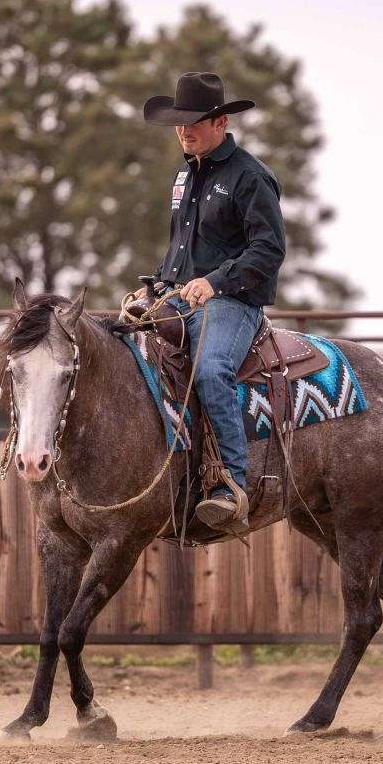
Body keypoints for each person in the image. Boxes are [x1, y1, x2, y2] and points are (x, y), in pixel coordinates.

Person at [135, 71, 286, 529]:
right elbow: (182, 249)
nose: (184, 130)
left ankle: (230, 483)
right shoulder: (185, 174)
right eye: (180, 122)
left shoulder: (251, 177)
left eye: (195, 121)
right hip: (179, 297)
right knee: (126, 352)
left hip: (232, 302)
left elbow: (268, 250)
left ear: (221, 122)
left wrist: (216, 282)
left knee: (211, 370)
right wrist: (155, 285)